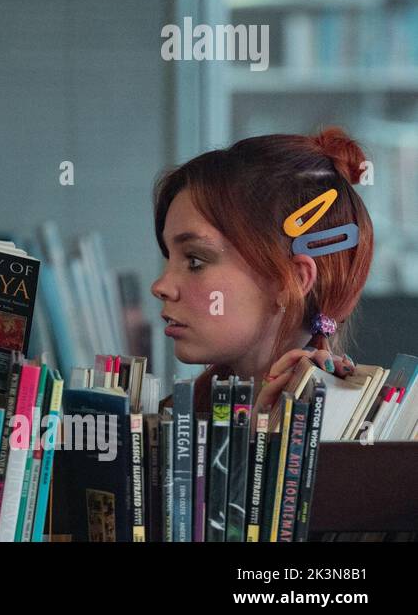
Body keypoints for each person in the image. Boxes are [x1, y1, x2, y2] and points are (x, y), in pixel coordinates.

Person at [150, 127, 371, 411]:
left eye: (195, 261)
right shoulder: (169, 421)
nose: (160, 286)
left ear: (289, 281)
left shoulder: (362, 437)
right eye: (169, 256)